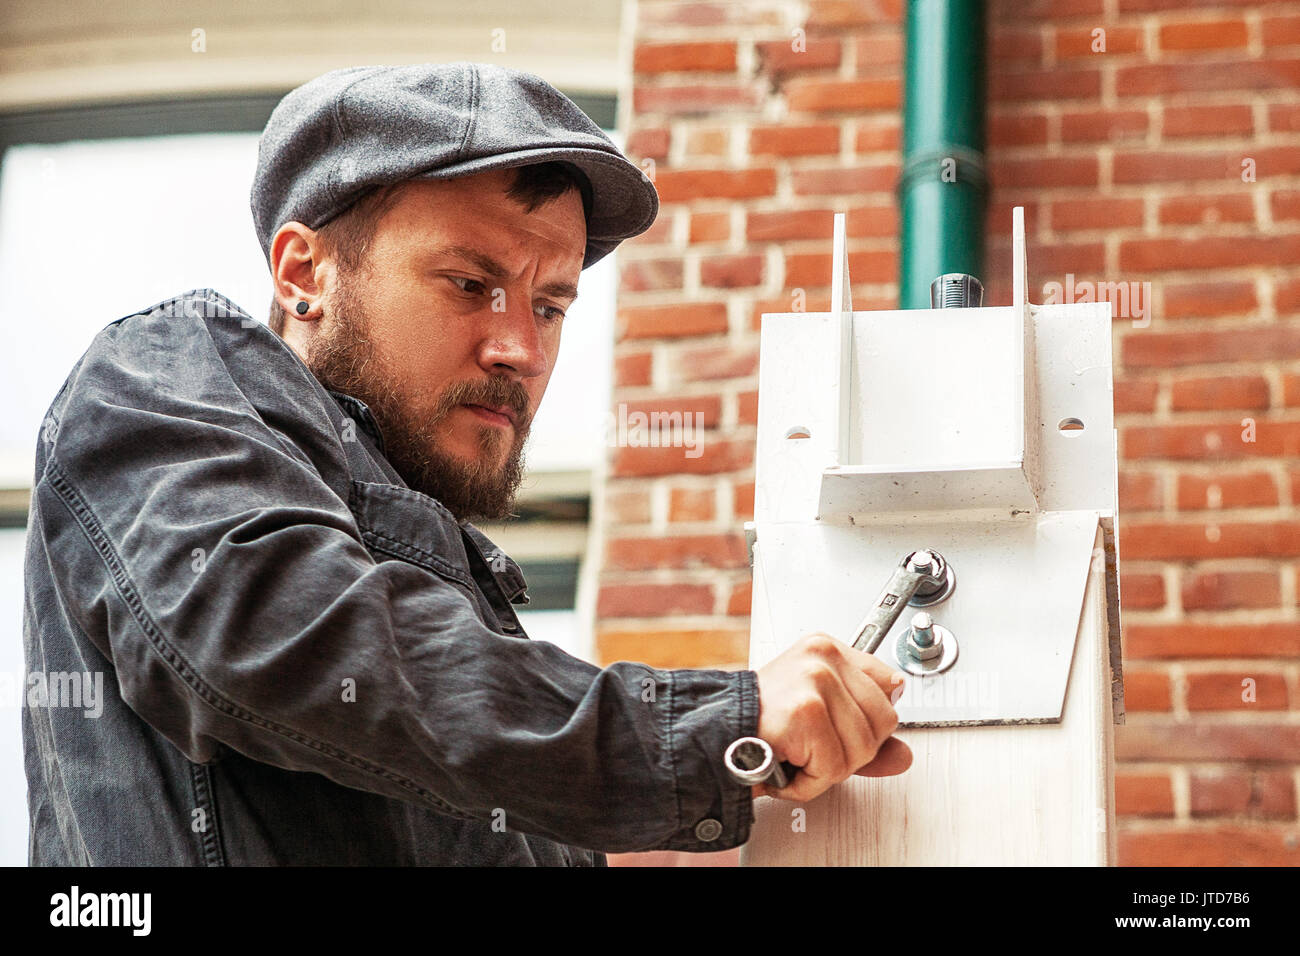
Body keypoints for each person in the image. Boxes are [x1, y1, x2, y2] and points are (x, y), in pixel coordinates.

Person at [21, 62, 911, 866]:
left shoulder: (487, 684)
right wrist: (716, 726)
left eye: (552, 304)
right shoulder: (163, 374)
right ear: (305, 271)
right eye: (468, 284)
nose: (520, 347)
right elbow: (280, 628)